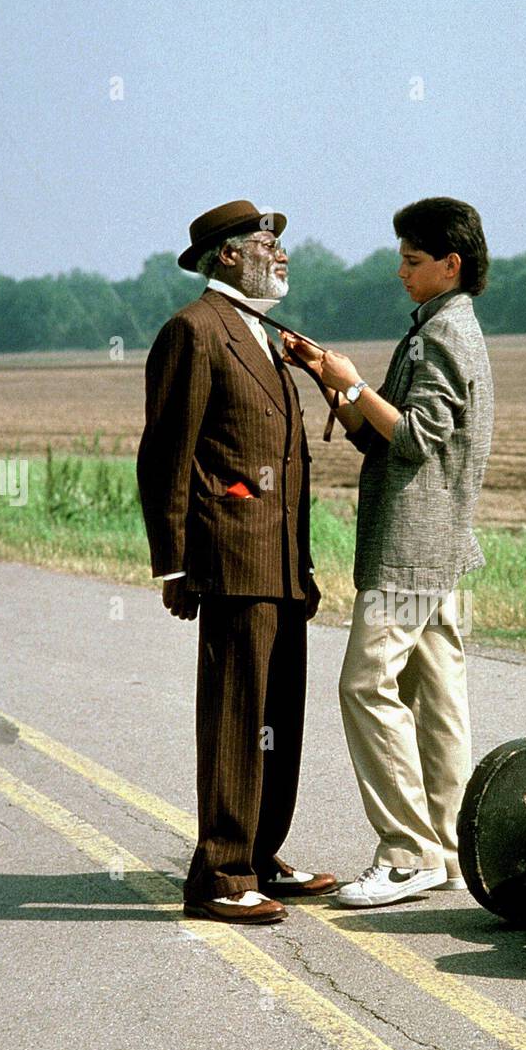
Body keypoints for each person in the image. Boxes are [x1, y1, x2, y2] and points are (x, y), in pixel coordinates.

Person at [282, 197, 494, 907]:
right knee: (436, 701)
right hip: (440, 551)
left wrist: (353, 382)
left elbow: (413, 439)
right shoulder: (440, 327)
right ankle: (456, 852)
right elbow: (381, 434)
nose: (399, 271)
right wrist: (329, 381)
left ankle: (406, 855)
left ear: (449, 264)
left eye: (411, 260)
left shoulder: (445, 337)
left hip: (412, 551)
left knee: (364, 686)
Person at [137, 199, 336, 925]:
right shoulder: (193, 332)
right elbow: (167, 453)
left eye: (280, 244)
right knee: (235, 716)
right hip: (229, 559)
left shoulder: (265, 333)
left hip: (282, 563)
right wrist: (174, 563)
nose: (280, 254)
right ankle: (219, 874)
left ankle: (258, 854)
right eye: (266, 243)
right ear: (227, 254)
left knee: (277, 716)